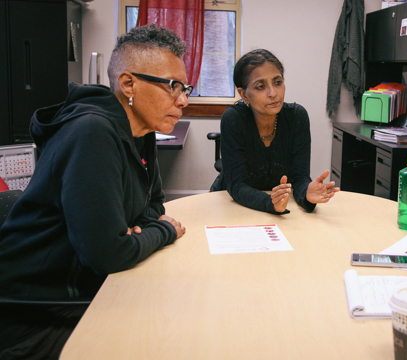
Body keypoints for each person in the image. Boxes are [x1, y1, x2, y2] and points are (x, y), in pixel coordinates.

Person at [0, 24, 188, 359]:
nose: (183, 100)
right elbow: (108, 254)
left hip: (87, 292)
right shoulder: (92, 133)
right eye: (172, 86)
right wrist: (164, 230)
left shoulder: (141, 128)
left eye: (184, 87)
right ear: (128, 83)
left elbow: (154, 203)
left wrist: (135, 232)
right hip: (36, 314)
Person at [210, 49, 339, 214]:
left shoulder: (297, 117)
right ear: (244, 94)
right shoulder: (234, 119)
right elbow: (236, 185)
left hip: (281, 204)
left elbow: (299, 178)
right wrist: (271, 203)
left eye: (278, 82)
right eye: (261, 86)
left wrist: (307, 193)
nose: (273, 93)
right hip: (233, 202)